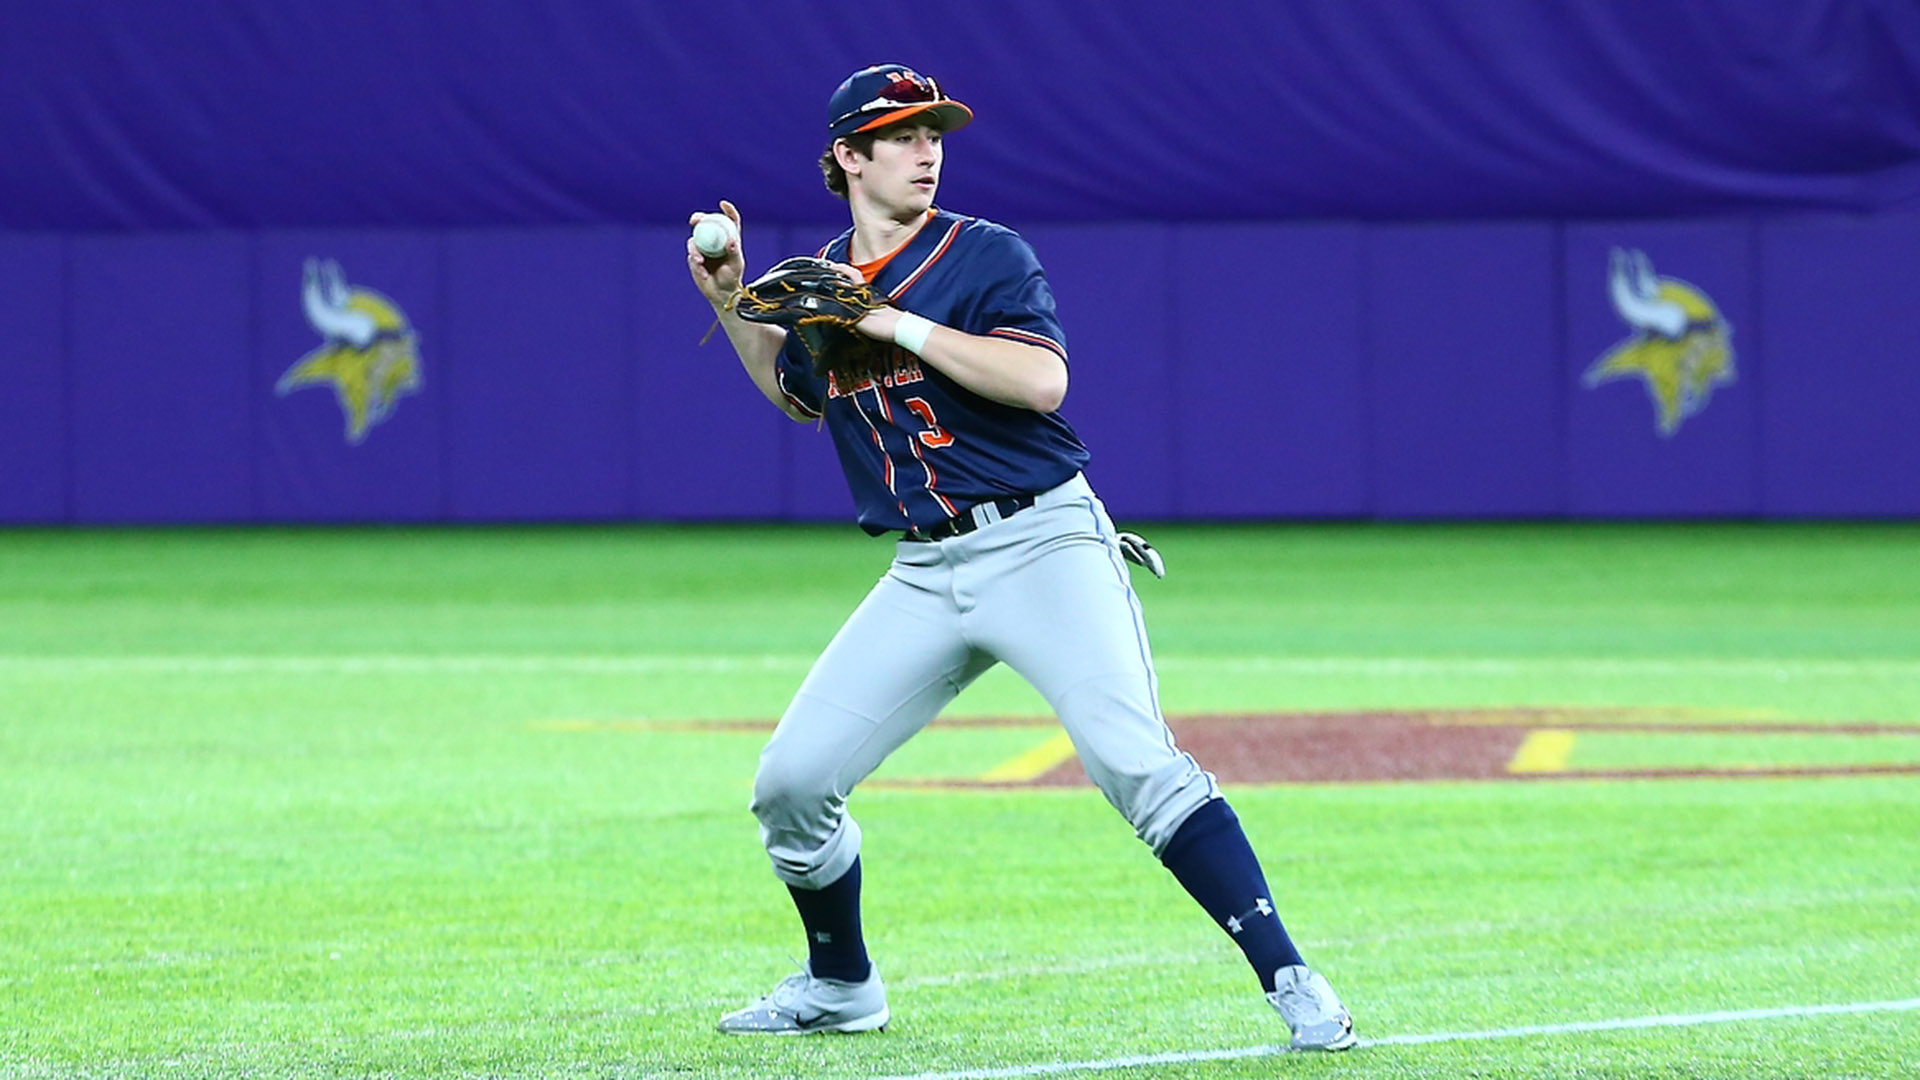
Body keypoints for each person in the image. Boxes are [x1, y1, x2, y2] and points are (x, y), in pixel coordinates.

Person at [684, 62, 1356, 1052]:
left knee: (1138, 767)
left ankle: (1292, 977)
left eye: (935, 133)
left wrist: (883, 318)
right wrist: (733, 299)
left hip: (1044, 542)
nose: (927, 151)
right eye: (902, 134)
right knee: (791, 782)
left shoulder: (982, 254)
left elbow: (1040, 381)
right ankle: (841, 987)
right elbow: (800, 396)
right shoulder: (818, 279)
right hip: (925, 568)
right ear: (846, 157)